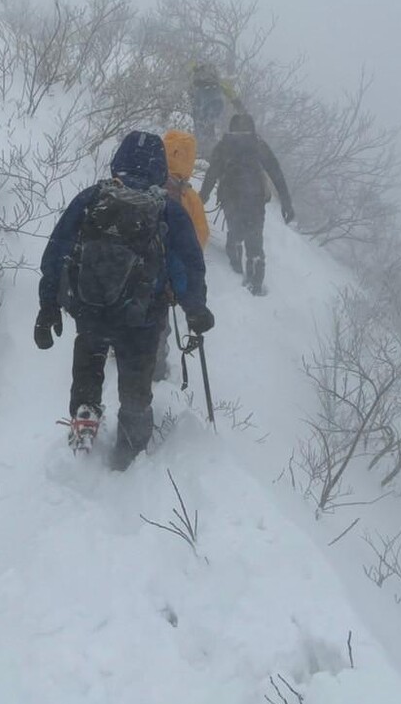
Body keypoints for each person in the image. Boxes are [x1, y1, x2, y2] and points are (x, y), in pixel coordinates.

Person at [34, 131, 213, 469]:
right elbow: (187, 264)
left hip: (90, 310)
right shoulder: (168, 211)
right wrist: (195, 308)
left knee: (88, 364)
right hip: (141, 318)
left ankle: (84, 417)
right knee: (135, 386)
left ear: (118, 161)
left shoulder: (92, 197)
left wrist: (48, 306)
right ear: (161, 168)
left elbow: (57, 251)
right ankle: (129, 456)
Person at [200, 112, 294, 295]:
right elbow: (276, 172)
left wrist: (201, 197)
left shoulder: (224, 145)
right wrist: (286, 202)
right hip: (255, 198)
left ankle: (235, 257)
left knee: (235, 230)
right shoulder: (258, 144)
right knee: (255, 240)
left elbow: (212, 173)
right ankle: (255, 284)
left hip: (230, 196)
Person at [154, 128, 210, 380]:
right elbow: (199, 236)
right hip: (167, 273)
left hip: (137, 269)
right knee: (158, 323)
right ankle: (155, 369)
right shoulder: (188, 195)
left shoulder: (149, 183)